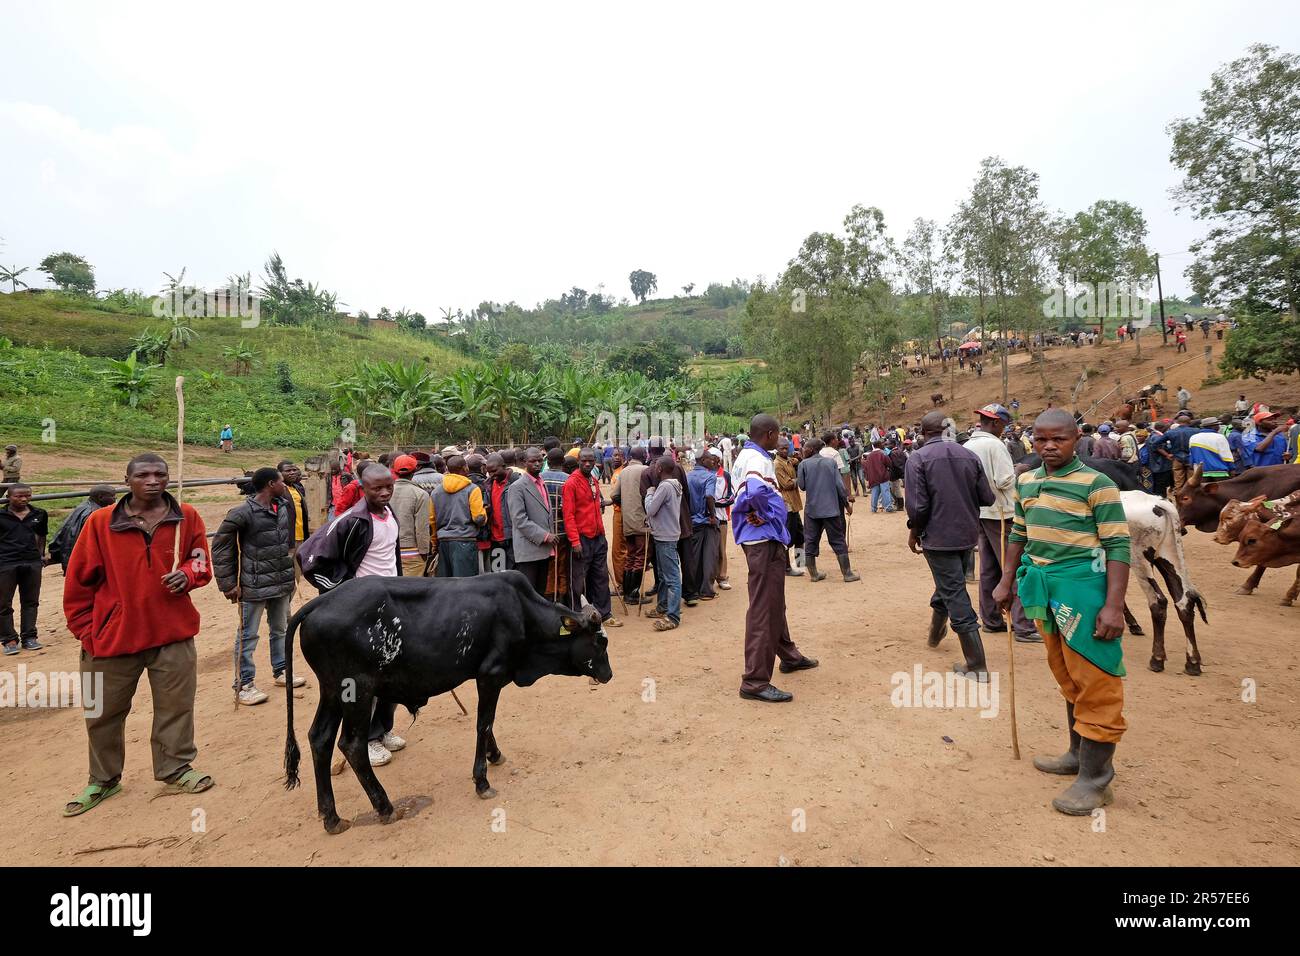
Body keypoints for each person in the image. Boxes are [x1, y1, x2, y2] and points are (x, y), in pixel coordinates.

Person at [993, 409, 1131, 816]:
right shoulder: (1028, 481)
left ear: (1076, 439)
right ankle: (1076, 754)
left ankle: (1096, 781)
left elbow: (1118, 547)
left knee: (1096, 678)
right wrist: (1005, 581)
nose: (1049, 447)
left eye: (1059, 439)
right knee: (1067, 673)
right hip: (1043, 586)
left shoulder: (1098, 484)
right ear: (1030, 441)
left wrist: (1113, 605)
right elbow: (1019, 532)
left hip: (1084, 589)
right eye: (1040, 440)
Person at [61, 453, 215, 815]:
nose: (152, 480)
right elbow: (78, 582)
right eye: (142, 475)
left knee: (176, 708)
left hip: (172, 634)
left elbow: (199, 559)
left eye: (159, 474)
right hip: (112, 641)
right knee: (102, 713)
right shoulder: (100, 523)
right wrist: (89, 632)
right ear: (126, 480)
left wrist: (189, 576)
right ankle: (103, 780)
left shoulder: (186, 517)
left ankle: (175, 768)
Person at [297, 465, 407, 766]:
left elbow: (390, 558)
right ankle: (365, 738)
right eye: (376, 488)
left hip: (391, 605)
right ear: (363, 487)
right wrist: (340, 593)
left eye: (388, 487)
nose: (384, 493)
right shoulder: (351, 520)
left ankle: (383, 729)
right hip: (362, 613)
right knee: (365, 679)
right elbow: (308, 557)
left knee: (394, 672)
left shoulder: (390, 515)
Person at [733, 414, 818, 702]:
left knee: (773, 602)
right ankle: (755, 681)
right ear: (769, 434)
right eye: (777, 435)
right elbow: (755, 492)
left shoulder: (748, 456)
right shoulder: (757, 460)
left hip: (761, 539)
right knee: (763, 609)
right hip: (762, 541)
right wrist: (771, 516)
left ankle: (789, 655)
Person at [904, 411, 995, 678]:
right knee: (949, 584)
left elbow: (918, 508)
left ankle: (977, 664)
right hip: (967, 535)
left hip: (938, 537)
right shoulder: (969, 455)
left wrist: (914, 532)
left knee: (954, 592)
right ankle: (935, 633)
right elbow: (987, 497)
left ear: (923, 432)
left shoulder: (918, 458)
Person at [211, 466, 302, 705]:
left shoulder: (283, 507)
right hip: (252, 585)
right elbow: (221, 548)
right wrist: (228, 583)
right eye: (282, 481)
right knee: (248, 636)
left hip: (281, 582)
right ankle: (244, 684)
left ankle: (282, 671)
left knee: (281, 629)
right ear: (271, 484)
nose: (285, 485)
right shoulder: (242, 512)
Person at [964, 404, 1037, 642]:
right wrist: (1020, 470)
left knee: (988, 569)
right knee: (1013, 567)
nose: (1004, 430)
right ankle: (1023, 626)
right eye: (1003, 425)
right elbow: (1005, 480)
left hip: (981, 513)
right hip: (1002, 513)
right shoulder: (995, 445)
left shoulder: (968, 444)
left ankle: (991, 619)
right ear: (996, 423)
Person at [563, 447, 619, 627]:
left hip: (598, 537)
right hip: (581, 539)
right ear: (578, 461)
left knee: (601, 576)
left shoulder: (594, 480)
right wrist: (575, 541)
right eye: (584, 460)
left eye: (590, 460)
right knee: (578, 579)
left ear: (595, 461)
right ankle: (577, 616)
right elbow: (568, 515)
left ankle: (604, 613)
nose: (587, 463)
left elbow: (596, 506)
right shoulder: (571, 483)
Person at [797, 438, 860, 583]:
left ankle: (813, 574)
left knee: (810, 540)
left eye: (805, 447)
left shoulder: (803, 465)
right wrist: (846, 505)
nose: (803, 449)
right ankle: (847, 573)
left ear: (811, 449)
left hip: (812, 510)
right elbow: (839, 487)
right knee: (838, 540)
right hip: (831, 509)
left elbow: (802, 486)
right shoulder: (830, 463)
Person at [0, 482, 48, 655]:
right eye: (18, 496)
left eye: (27, 495)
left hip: (32, 562)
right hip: (5, 563)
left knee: (30, 601)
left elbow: (42, 536)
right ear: (8, 497)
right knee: (3, 603)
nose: (23, 499)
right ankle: (9, 639)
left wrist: (41, 554)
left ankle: (29, 636)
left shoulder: (40, 514)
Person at [507, 447, 559, 596]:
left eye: (539, 461)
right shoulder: (517, 487)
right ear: (524, 463)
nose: (537, 464)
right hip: (529, 549)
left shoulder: (541, 482)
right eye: (532, 461)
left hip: (544, 549)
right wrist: (545, 536)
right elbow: (519, 519)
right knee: (529, 594)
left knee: (540, 591)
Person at [430, 455, 487, 578]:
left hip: (443, 542)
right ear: (465, 468)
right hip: (465, 541)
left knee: (446, 584)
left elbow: (432, 521)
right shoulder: (472, 489)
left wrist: (434, 543)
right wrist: (485, 514)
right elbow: (478, 518)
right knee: (465, 585)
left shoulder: (436, 492)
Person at [644, 456, 684, 631]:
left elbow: (651, 509)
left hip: (665, 536)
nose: (653, 469)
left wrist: (649, 493)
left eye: (655, 466)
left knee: (671, 577)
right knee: (662, 574)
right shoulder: (676, 484)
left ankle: (673, 616)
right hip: (667, 533)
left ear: (660, 469)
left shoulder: (665, 486)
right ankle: (662, 607)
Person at [49, 485, 116, 574]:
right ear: (101, 497)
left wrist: (55, 554)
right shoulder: (95, 515)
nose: (115, 498)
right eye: (113, 496)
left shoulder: (82, 507)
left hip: (70, 558)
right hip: (85, 562)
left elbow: (62, 532)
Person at [682, 448, 721, 603]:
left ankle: (695, 589)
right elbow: (709, 495)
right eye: (711, 459)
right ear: (703, 460)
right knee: (710, 556)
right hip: (706, 521)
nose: (713, 461)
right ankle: (706, 590)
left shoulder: (687, 476)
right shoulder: (710, 477)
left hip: (691, 522)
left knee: (694, 557)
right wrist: (712, 516)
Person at [612, 447, 650, 604]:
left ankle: (627, 592)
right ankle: (633, 595)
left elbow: (614, 495)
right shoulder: (646, 470)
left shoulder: (624, 471)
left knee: (631, 555)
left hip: (627, 520)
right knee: (640, 556)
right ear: (643, 456)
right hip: (642, 520)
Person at [388, 455, 434, 577]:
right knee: (410, 592)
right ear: (415, 470)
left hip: (389, 550)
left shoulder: (386, 492)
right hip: (412, 552)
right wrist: (424, 552)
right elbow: (421, 527)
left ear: (395, 470)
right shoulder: (421, 494)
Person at [774, 440, 805, 576]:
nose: (785, 451)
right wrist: (802, 479)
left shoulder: (788, 461)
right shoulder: (777, 465)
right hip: (787, 504)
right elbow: (786, 484)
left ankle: (801, 564)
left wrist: (799, 459)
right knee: (788, 537)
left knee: (800, 535)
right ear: (777, 449)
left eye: (787, 448)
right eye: (782, 449)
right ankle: (787, 567)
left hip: (795, 504)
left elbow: (796, 461)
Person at [485, 452, 520, 571]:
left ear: (504, 467)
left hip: (512, 537)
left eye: (494, 471)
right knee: (497, 573)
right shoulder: (489, 484)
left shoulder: (516, 481)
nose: (491, 475)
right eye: (489, 472)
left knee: (512, 573)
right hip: (495, 538)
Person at [276, 461, 311, 552]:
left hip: (300, 535)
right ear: (279, 473)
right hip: (287, 538)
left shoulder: (296, 488)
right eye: (288, 471)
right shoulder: (278, 491)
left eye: (294, 470)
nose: (292, 472)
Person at [862, 440, 895, 513]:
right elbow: (889, 463)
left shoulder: (869, 455)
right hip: (883, 476)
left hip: (873, 477)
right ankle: (888, 507)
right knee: (885, 492)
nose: (883, 445)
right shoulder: (883, 453)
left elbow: (867, 467)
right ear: (879, 445)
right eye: (882, 444)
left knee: (874, 493)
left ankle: (873, 508)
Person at [1145, 421, 1174, 498]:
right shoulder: (1157, 437)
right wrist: (1168, 454)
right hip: (1160, 465)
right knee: (1160, 486)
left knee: (1158, 485)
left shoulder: (1153, 435)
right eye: (1167, 428)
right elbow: (1157, 447)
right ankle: (1161, 500)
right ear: (1162, 428)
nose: (1167, 430)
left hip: (1156, 464)